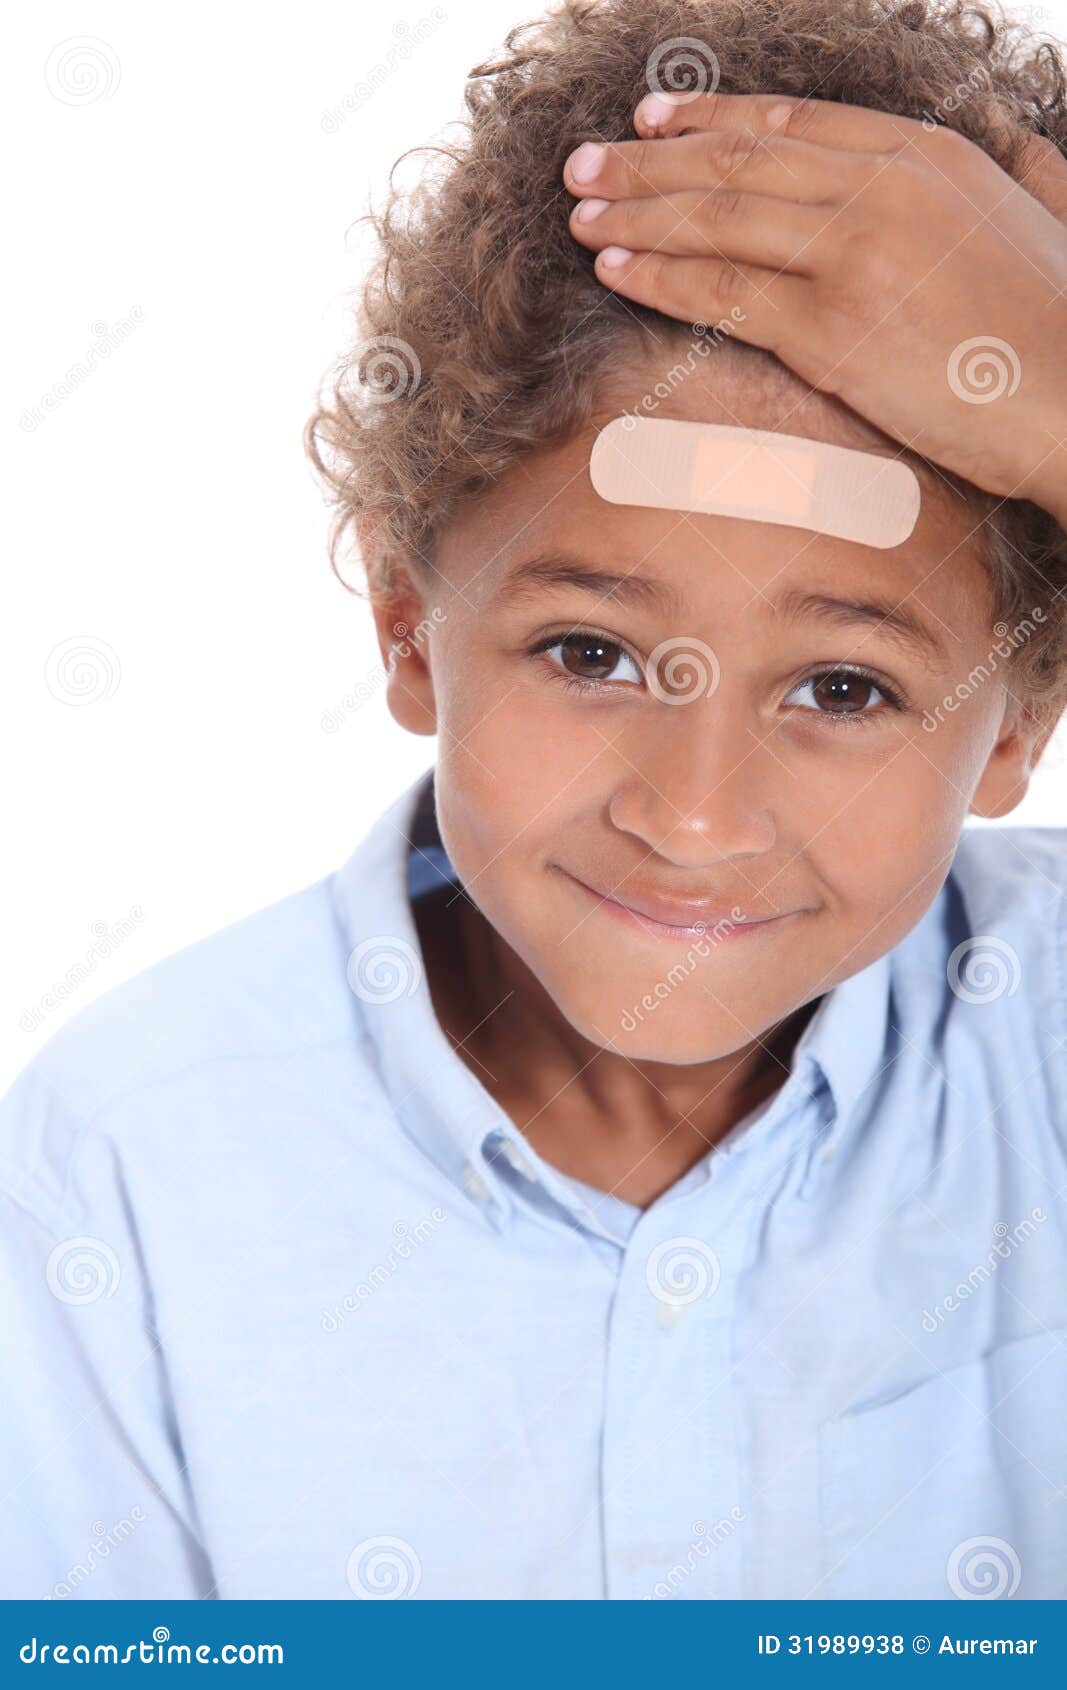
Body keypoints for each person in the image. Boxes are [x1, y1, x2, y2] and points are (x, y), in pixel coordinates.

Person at [3, 0, 1067, 1601]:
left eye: (842, 689)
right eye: (591, 650)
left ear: (1016, 725)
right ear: (406, 627)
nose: (696, 817)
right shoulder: (129, 1162)